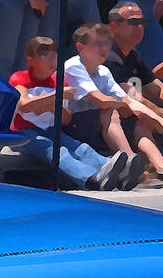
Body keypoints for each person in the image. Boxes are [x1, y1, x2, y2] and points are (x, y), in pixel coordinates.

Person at [8, 36, 137, 191]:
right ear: (31, 60)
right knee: (56, 150)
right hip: (24, 133)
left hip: (50, 129)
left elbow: (65, 119)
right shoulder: (20, 78)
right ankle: (94, 177)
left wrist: (51, 105)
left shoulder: (58, 81)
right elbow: (24, 106)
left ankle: (114, 169)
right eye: (45, 56)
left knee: (80, 147)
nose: (51, 61)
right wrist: (56, 97)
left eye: (54, 56)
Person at [63, 23, 163, 187]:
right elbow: (101, 100)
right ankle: (131, 164)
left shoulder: (103, 71)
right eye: (98, 43)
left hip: (98, 125)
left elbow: (129, 101)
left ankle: (161, 168)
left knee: (139, 119)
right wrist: (124, 104)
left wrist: (161, 121)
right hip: (74, 125)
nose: (104, 48)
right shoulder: (73, 66)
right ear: (80, 47)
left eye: (107, 43)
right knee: (109, 111)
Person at [104, 2, 163, 183]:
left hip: (134, 116)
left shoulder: (133, 56)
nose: (139, 27)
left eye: (142, 22)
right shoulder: (108, 56)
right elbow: (133, 97)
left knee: (146, 118)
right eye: (133, 22)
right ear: (114, 26)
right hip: (105, 121)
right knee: (140, 118)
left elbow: (157, 88)